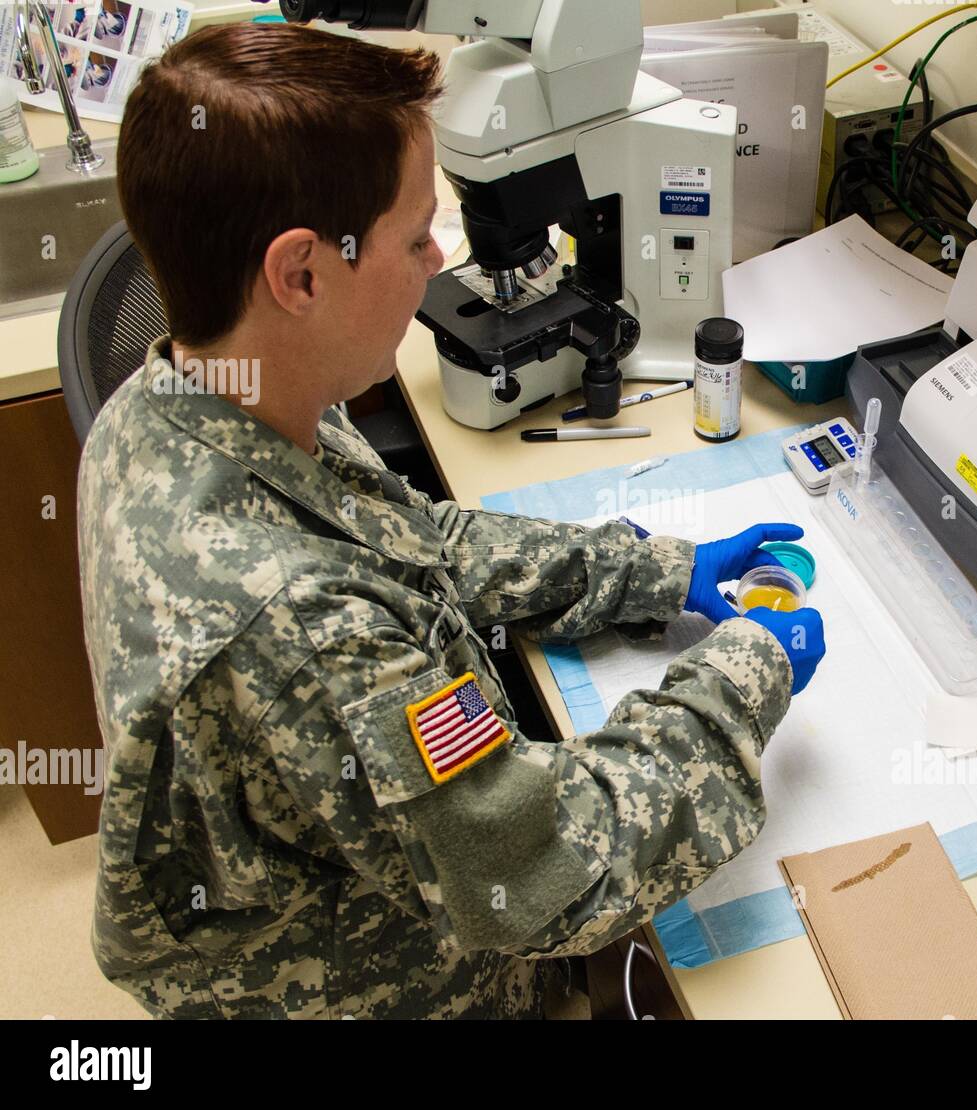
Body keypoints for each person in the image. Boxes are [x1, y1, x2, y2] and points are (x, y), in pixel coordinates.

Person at [79, 22, 826, 1019]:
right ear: (300, 274)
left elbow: (414, 544)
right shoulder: (300, 631)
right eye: (413, 235)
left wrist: (643, 570)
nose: (441, 260)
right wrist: (744, 676)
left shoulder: (191, 398)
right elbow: (548, 872)